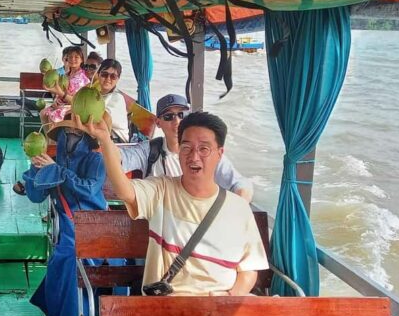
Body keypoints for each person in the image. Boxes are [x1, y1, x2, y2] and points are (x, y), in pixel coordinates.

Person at [79, 111, 268, 296]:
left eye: (203, 149)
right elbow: (125, 191)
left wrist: (230, 298)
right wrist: (104, 140)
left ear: (220, 154)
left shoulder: (239, 208)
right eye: (186, 148)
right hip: (168, 306)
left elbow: (249, 269)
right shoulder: (162, 190)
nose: (194, 157)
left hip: (219, 307)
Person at [23, 115, 110, 316]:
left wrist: (58, 171)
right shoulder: (53, 161)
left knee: (69, 260)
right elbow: (36, 197)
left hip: (98, 229)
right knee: (66, 260)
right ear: (60, 136)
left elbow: (89, 189)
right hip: (69, 230)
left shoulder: (96, 160)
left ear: (87, 139)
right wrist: (35, 170)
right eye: (67, 133)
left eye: (78, 134)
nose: (72, 137)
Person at [119, 94, 254, 202]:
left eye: (181, 115)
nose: (177, 121)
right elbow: (120, 159)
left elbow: (240, 184)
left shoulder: (206, 154)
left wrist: (238, 208)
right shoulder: (149, 151)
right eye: (168, 116)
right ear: (158, 122)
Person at [41, 46, 90, 126]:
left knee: (53, 115)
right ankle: (48, 138)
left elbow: (76, 101)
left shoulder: (82, 78)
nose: (73, 59)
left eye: (76, 57)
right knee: (43, 113)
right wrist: (55, 101)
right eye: (70, 57)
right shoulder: (66, 75)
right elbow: (58, 92)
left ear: (81, 60)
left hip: (73, 107)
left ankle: (53, 138)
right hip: (62, 105)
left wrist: (60, 95)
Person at [97, 59, 130, 143]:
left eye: (113, 76)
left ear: (118, 79)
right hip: (101, 136)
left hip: (118, 143)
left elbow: (104, 118)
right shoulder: (97, 94)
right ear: (98, 75)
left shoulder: (118, 98)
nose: (108, 79)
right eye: (104, 74)